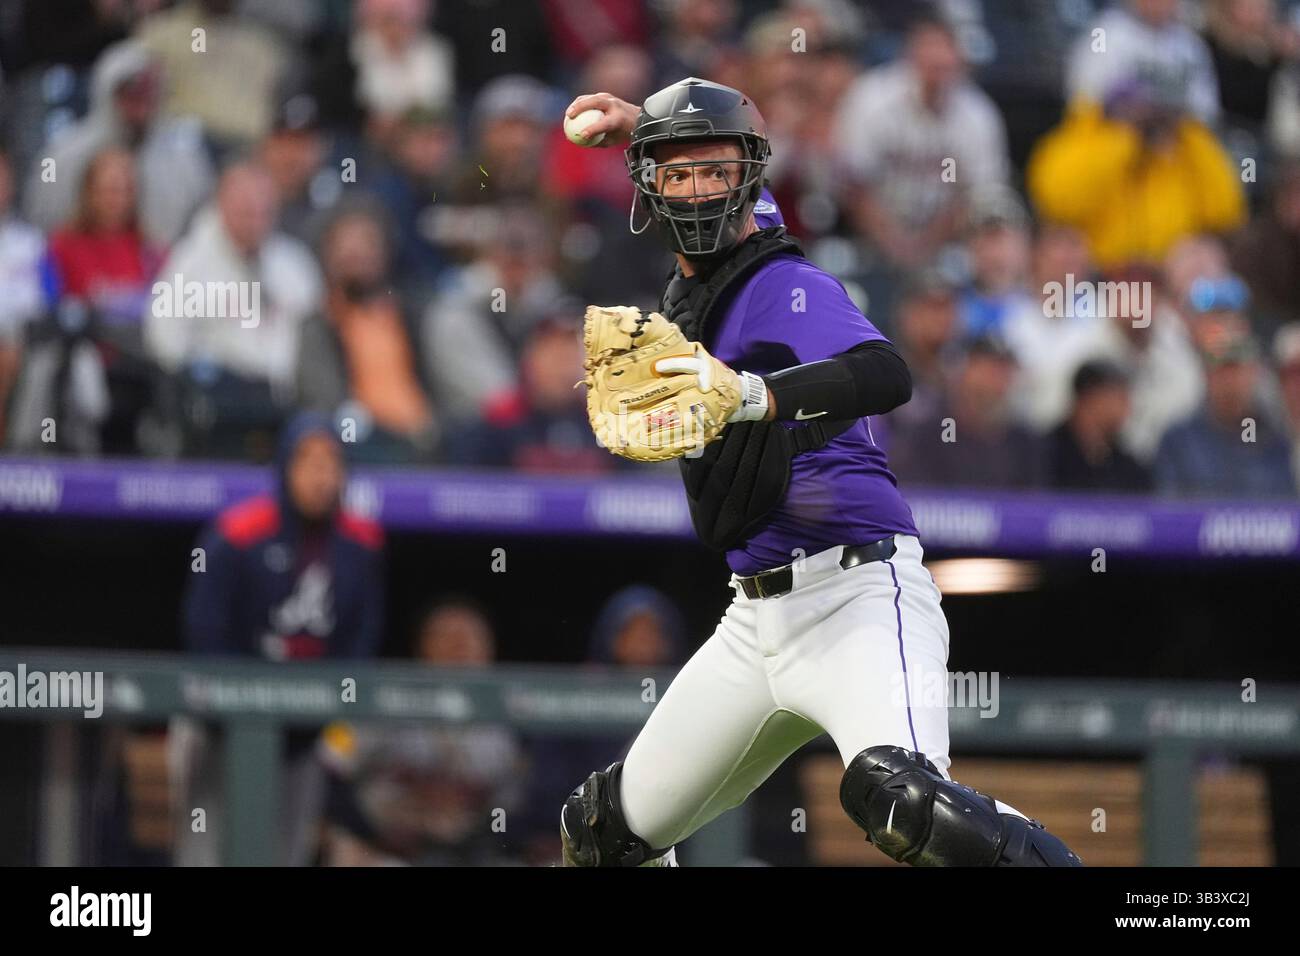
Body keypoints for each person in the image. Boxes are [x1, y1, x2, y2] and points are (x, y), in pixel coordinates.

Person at [556, 78, 1081, 867]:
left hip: (857, 594)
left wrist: (755, 395)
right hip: (752, 621)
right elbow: (719, 185)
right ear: (648, 182)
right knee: (601, 837)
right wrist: (649, 123)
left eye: (715, 170)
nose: (700, 189)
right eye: (678, 171)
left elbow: (885, 372)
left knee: (905, 801)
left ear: (749, 179)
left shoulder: (783, 285)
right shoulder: (708, 280)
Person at [173, 412, 385, 866]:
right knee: (204, 854)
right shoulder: (237, 533)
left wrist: (321, 713)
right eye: (308, 461)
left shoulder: (361, 544)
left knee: (283, 856)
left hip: (304, 735)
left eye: (331, 462)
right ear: (286, 466)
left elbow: (361, 640)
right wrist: (239, 701)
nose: (321, 475)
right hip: (220, 730)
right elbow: (204, 631)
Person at [21, 39, 213, 249]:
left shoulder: (185, 161)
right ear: (106, 92)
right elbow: (40, 227)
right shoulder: (63, 156)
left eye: (149, 90)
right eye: (130, 90)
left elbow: (202, 232)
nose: (140, 103)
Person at [1153, 333, 1294, 497]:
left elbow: (1284, 507)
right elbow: (1167, 511)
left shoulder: (1273, 438)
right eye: (1221, 370)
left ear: (1253, 373)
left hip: (1257, 522)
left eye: (1237, 370)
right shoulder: (1179, 440)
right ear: (1206, 376)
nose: (1229, 381)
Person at [1046, 361, 1152, 492]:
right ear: (1088, 398)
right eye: (1119, 397)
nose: (1127, 407)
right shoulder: (1042, 456)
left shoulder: (1128, 467)